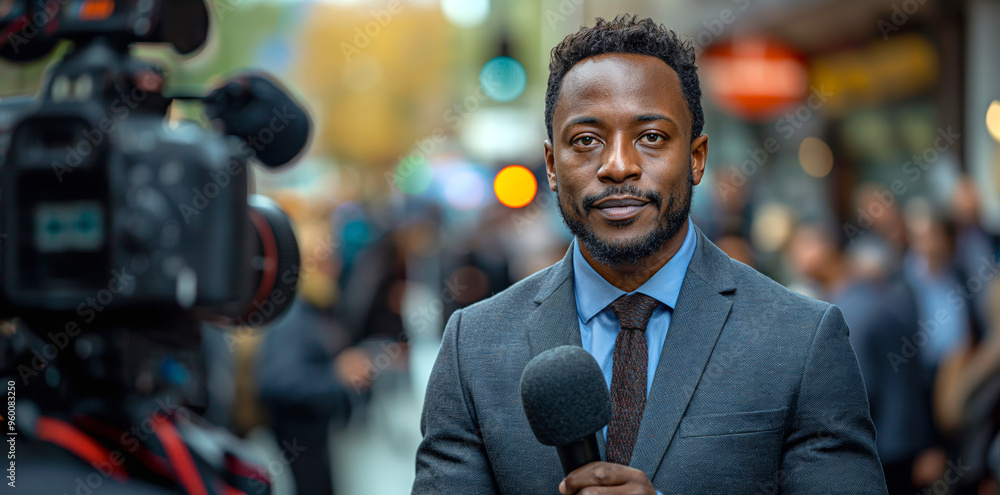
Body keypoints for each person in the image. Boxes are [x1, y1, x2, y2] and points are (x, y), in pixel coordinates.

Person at [413, 15, 886, 494]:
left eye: (652, 137)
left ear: (697, 157)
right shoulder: (471, 348)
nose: (618, 166)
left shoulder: (802, 341)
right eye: (586, 141)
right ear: (552, 167)